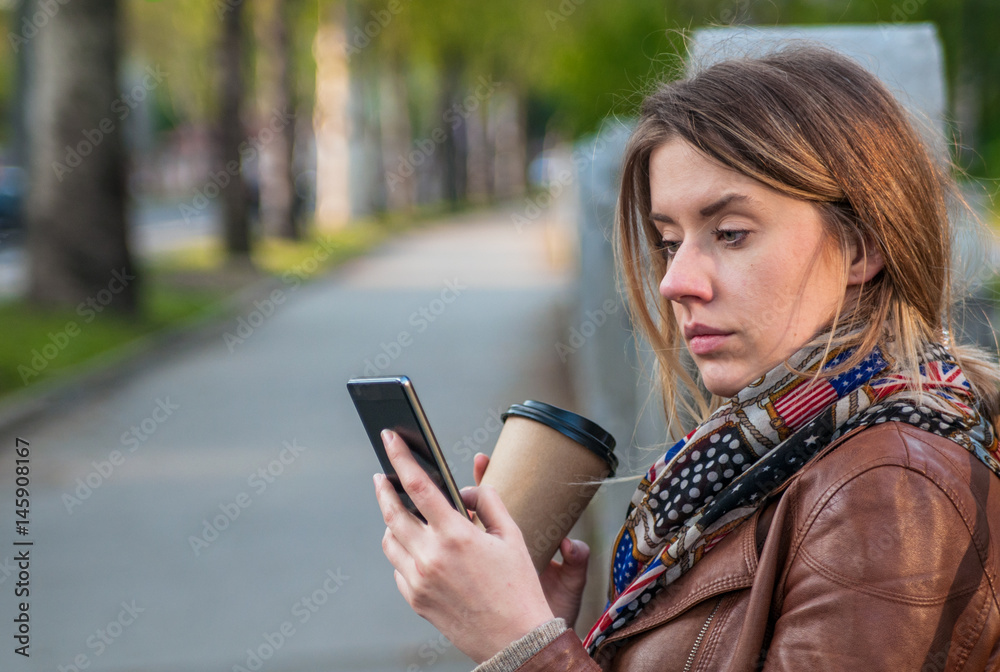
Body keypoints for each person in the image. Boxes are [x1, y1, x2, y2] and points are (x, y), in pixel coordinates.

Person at [373, 45, 1000, 671]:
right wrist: (555, 629)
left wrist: (523, 646)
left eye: (730, 233)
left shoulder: (891, 492)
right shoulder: (760, 457)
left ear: (861, 247)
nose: (675, 281)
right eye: (669, 241)